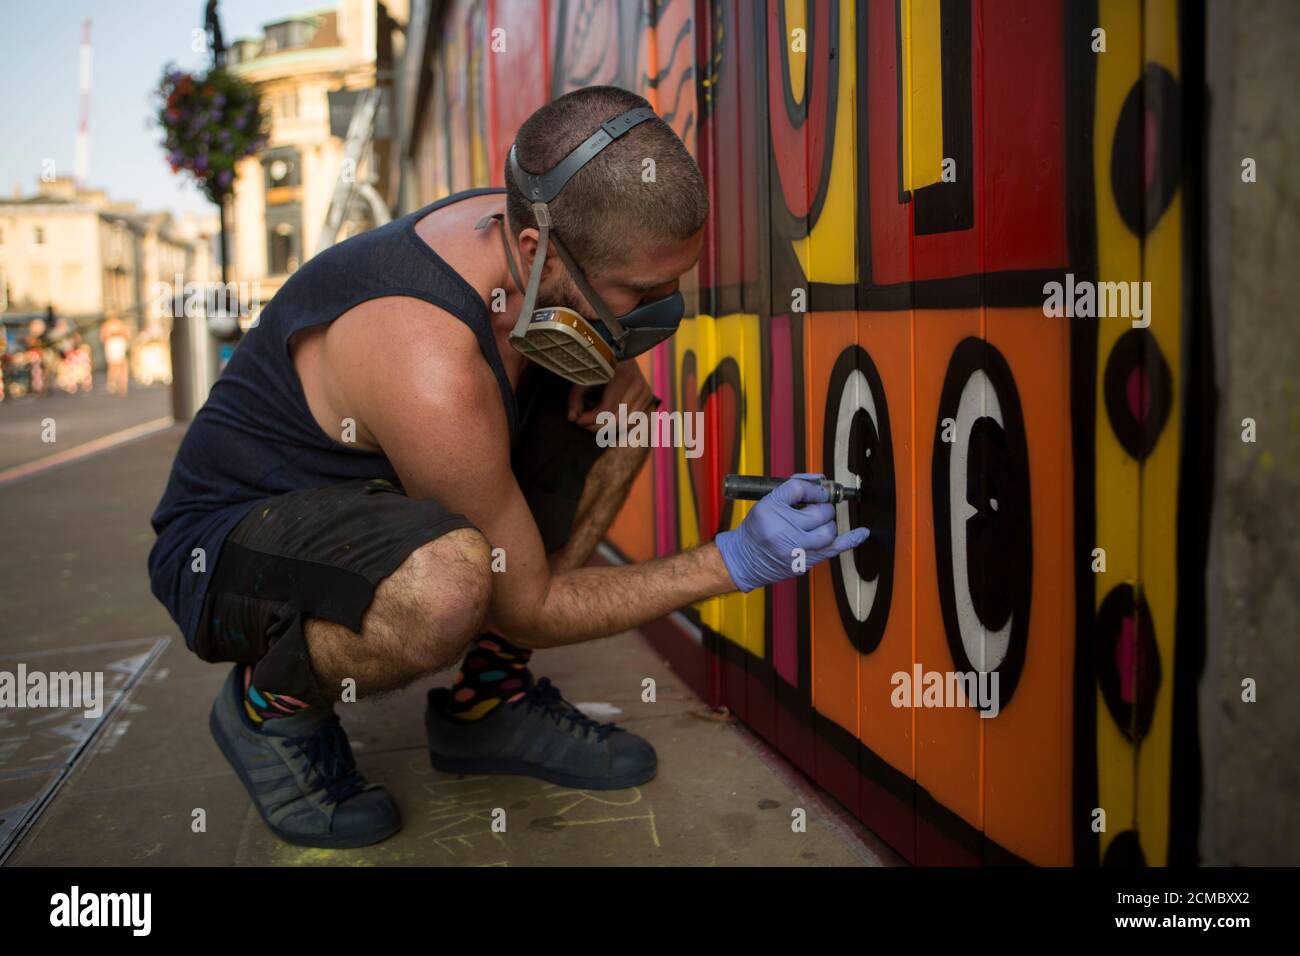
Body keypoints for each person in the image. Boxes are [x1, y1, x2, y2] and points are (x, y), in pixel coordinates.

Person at [148, 86, 866, 849]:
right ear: (535, 254)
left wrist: (608, 349)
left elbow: (577, 340)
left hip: (368, 493)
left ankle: (484, 706)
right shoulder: (428, 359)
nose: (666, 312)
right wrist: (735, 560)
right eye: (641, 296)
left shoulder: (537, 220)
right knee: (448, 584)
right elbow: (525, 605)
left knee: (622, 414)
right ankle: (268, 709)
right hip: (233, 543)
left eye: (675, 283)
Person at [100, 314, 130, 395]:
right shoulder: (108, 325)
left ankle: (121, 384)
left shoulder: (120, 324)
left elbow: (126, 334)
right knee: (113, 365)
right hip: (113, 344)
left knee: (122, 365)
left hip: (119, 343)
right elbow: (103, 336)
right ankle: (112, 382)